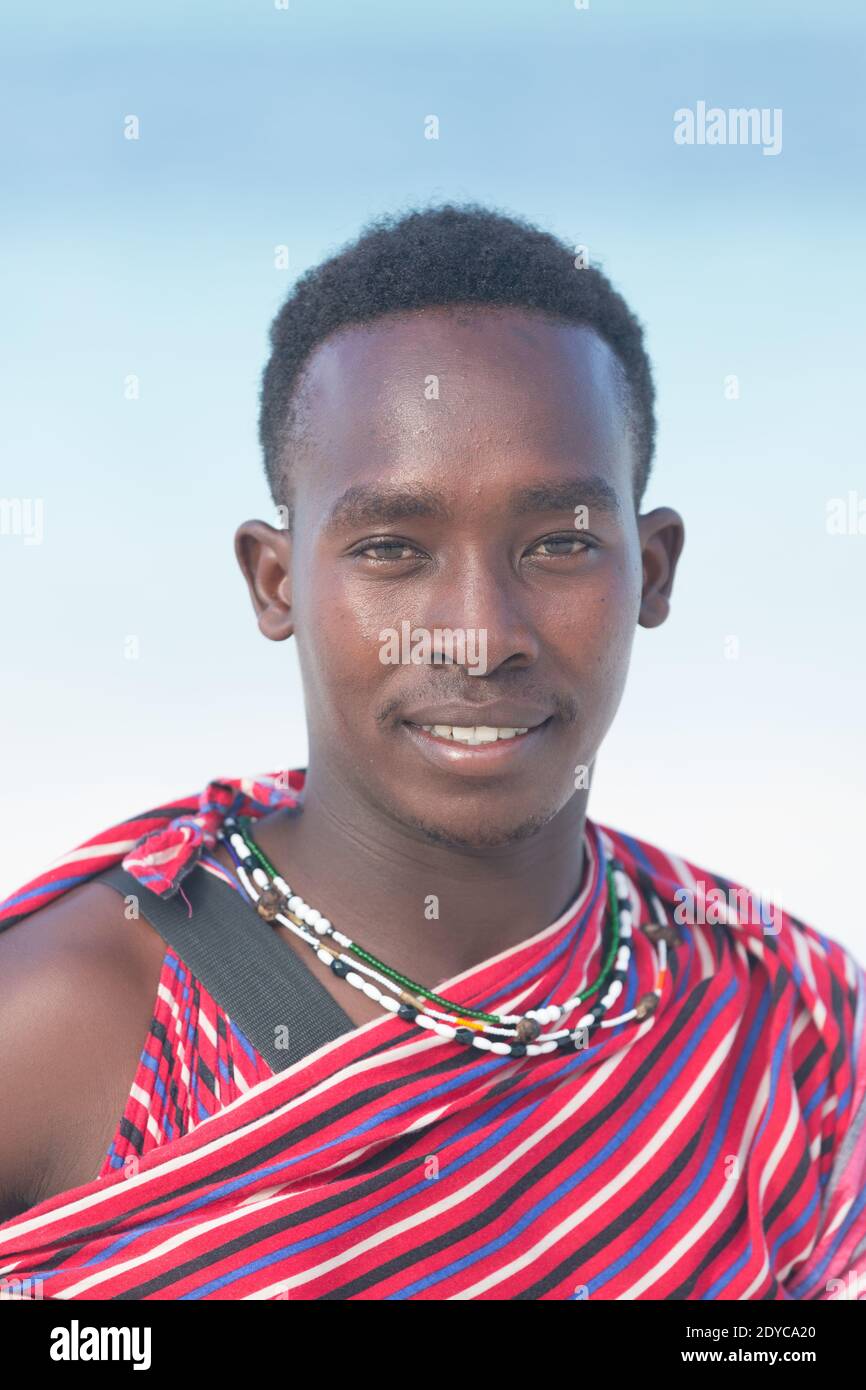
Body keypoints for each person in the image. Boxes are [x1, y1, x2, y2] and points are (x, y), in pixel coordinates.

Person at [0, 204, 864, 1301]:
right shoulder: (75, 1022)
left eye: (557, 544)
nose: (478, 632)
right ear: (275, 584)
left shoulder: (779, 1015)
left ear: (650, 570)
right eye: (392, 550)